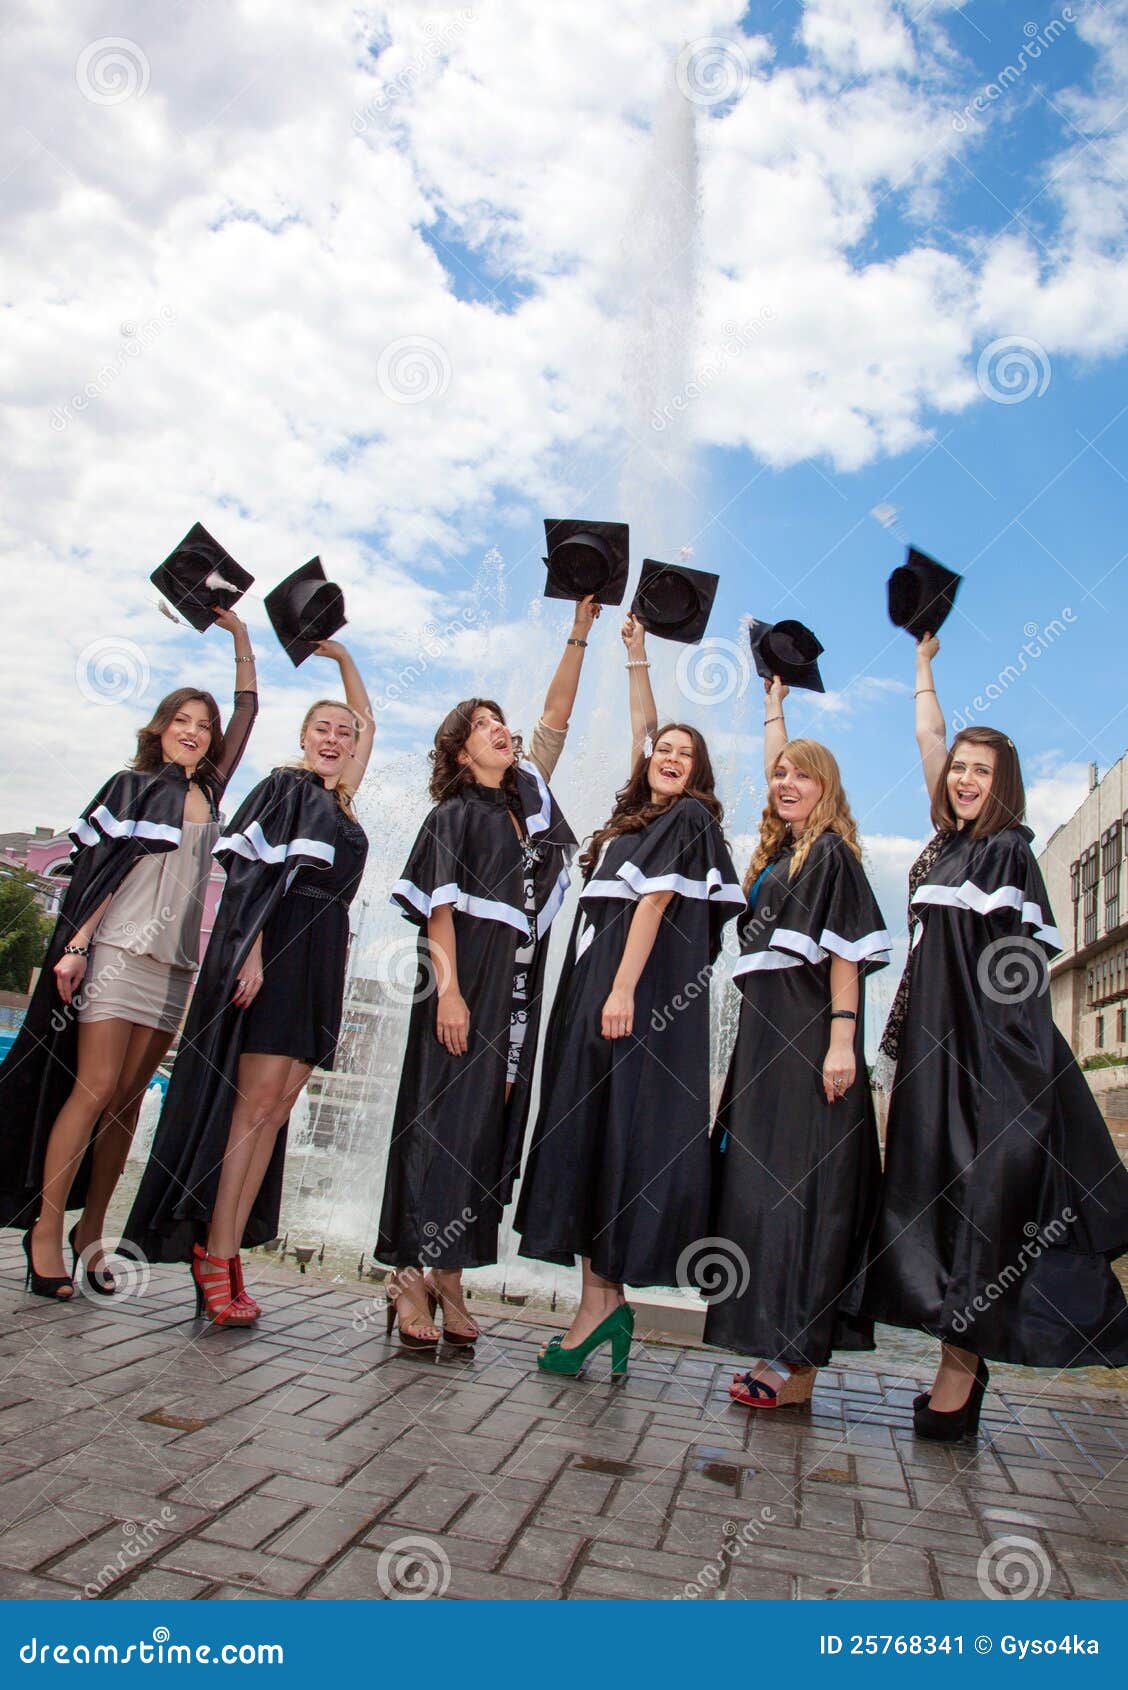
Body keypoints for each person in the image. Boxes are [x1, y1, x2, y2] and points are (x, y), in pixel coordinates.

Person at [864, 633, 1128, 1439]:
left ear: (1002, 783)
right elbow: (928, 742)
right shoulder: (948, 847)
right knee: (937, 1215)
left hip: (982, 1065)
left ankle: (957, 1387)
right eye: (959, 771)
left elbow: (1016, 982)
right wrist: (922, 668)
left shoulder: (1008, 854)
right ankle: (957, 1378)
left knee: (983, 1217)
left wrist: (1004, 1081)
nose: (965, 778)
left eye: (982, 770)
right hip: (928, 1055)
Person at [0, 610, 257, 1300]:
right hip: (116, 952)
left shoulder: (209, 792)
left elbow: (249, 708)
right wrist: (78, 944)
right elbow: (95, 875)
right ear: (160, 727)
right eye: (183, 720)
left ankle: (94, 1232)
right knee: (94, 1089)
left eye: (204, 725)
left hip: (174, 967)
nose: (195, 732)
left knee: (129, 1104)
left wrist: (237, 633)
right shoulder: (131, 787)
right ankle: (46, 1230)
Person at [515, 614, 744, 1376]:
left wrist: (620, 990)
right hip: (593, 988)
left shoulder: (687, 819)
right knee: (589, 1139)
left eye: (686, 754)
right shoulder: (633, 819)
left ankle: (596, 1309)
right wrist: (638, 657)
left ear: (697, 773)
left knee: (619, 1138)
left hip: (633, 1001)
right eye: (663, 751)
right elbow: (647, 735)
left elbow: (651, 907)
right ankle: (603, 1306)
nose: (670, 758)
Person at [123, 642, 373, 1325]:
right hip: (280, 950)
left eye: (344, 732)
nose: (335, 738)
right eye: (324, 727)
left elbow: (370, 721)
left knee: (277, 1112)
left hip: (325, 955)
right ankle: (214, 1254)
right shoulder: (283, 789)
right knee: (251, 1110)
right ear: (303, 738)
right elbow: (244, 877)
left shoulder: (343, 807)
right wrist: (252, 954)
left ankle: (227, 1250)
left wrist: (344, 655)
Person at [376, 598, 601, 1348]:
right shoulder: (452, 814)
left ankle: (452, 1273)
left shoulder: (526, 803)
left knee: (489, 1127)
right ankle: (409, 1277)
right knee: (439, 1123)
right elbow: (439, 910)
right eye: (482, 724)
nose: (499, 729)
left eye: (499, 720)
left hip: (517, 985)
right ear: (460, 748)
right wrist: (448, 993)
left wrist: (580, 631)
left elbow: (556, 718)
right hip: (463, 979)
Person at [703, 674, 890, 1410]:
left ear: (827, 788)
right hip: (764, 1051)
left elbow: (845, 953)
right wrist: (774, 715)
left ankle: (800, 1365)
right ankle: (778, 1345)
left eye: (802, 775)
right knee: (761, 1198)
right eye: (779, 773)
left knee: (806, 1199)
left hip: (812, 1045)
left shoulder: (833, 857)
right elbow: (778, 770)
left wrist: (842, 1043)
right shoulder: (778, 862)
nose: (786, 781)